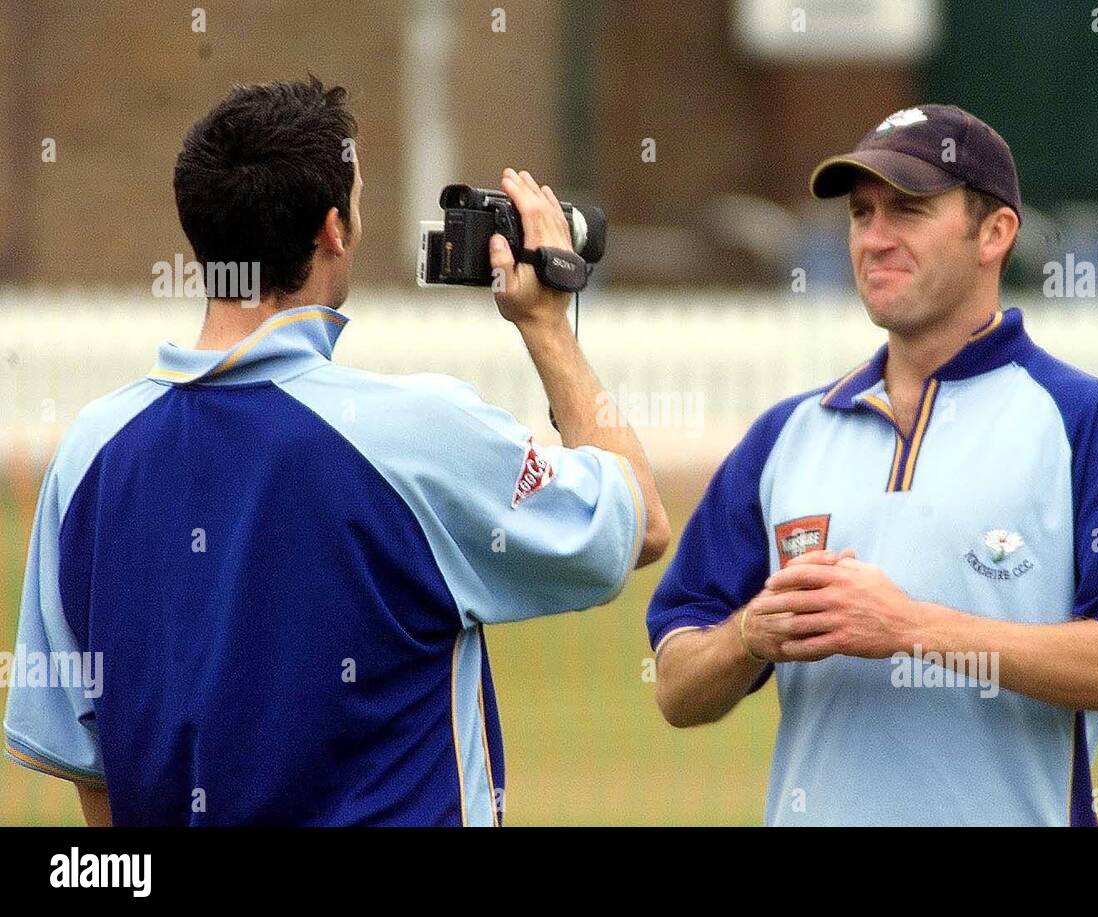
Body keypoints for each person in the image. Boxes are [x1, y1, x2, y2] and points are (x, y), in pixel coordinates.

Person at [3, 77, 669, 826]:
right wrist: (547, 323)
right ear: (332, 229)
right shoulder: (416, 433)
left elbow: (92, 774)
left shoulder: (85, 455)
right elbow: (638, 518)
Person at [646, 104, 1098, 826]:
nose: (874, 239)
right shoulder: (787, 435)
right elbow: (676, 687)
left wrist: (909, 627)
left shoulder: (1086, 420)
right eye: (861, 213)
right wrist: (748, 636)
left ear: (995, 233)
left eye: (908, 210)